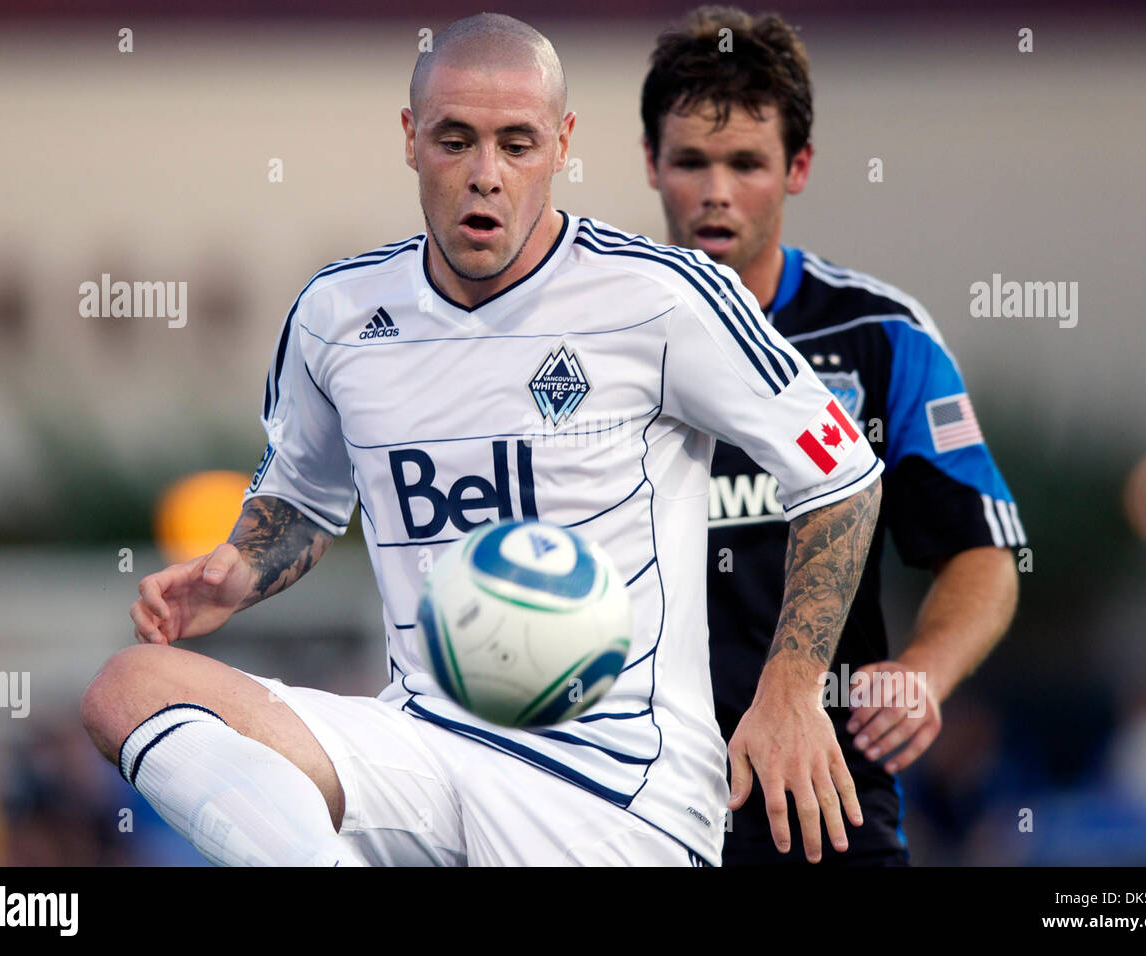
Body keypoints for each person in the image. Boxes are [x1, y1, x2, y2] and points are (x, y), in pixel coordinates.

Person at [80, 11, 882, 867]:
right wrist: (236, 572)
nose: (485, 176)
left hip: (617, 792)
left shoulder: (662, 298)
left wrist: (792, 690)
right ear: (410, 139)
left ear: (564, 143)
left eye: (518, 144)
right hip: (426, 745)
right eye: (455, 140)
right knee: (130, 688)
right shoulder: (338, 317)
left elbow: (842, 478)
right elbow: (306, 499)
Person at [641, 6, 1023, 865]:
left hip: (817, 801)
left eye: (747, 163)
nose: (715, 192)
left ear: (798, 167)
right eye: (691, 162)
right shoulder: (601, 341)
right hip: (635, 801)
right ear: (650, 164)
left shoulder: (880, 337)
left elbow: (983, 552)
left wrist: (924, 670)